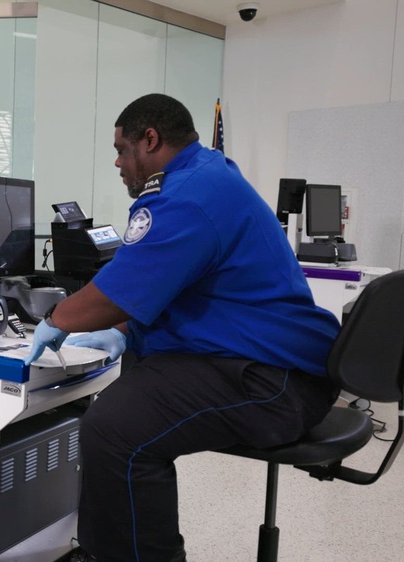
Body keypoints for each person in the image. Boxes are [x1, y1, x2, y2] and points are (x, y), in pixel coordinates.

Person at [23, 93, 340, 562]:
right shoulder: (208, 174)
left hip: (275, 380)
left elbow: (112, 294)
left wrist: (55, 320)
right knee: (125, 405)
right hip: (267, 362)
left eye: (121, 149)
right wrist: (125, 330)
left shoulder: (185, 196)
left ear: (150, 140)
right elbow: (175, 281)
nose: (116, 162)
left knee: (114, 430)